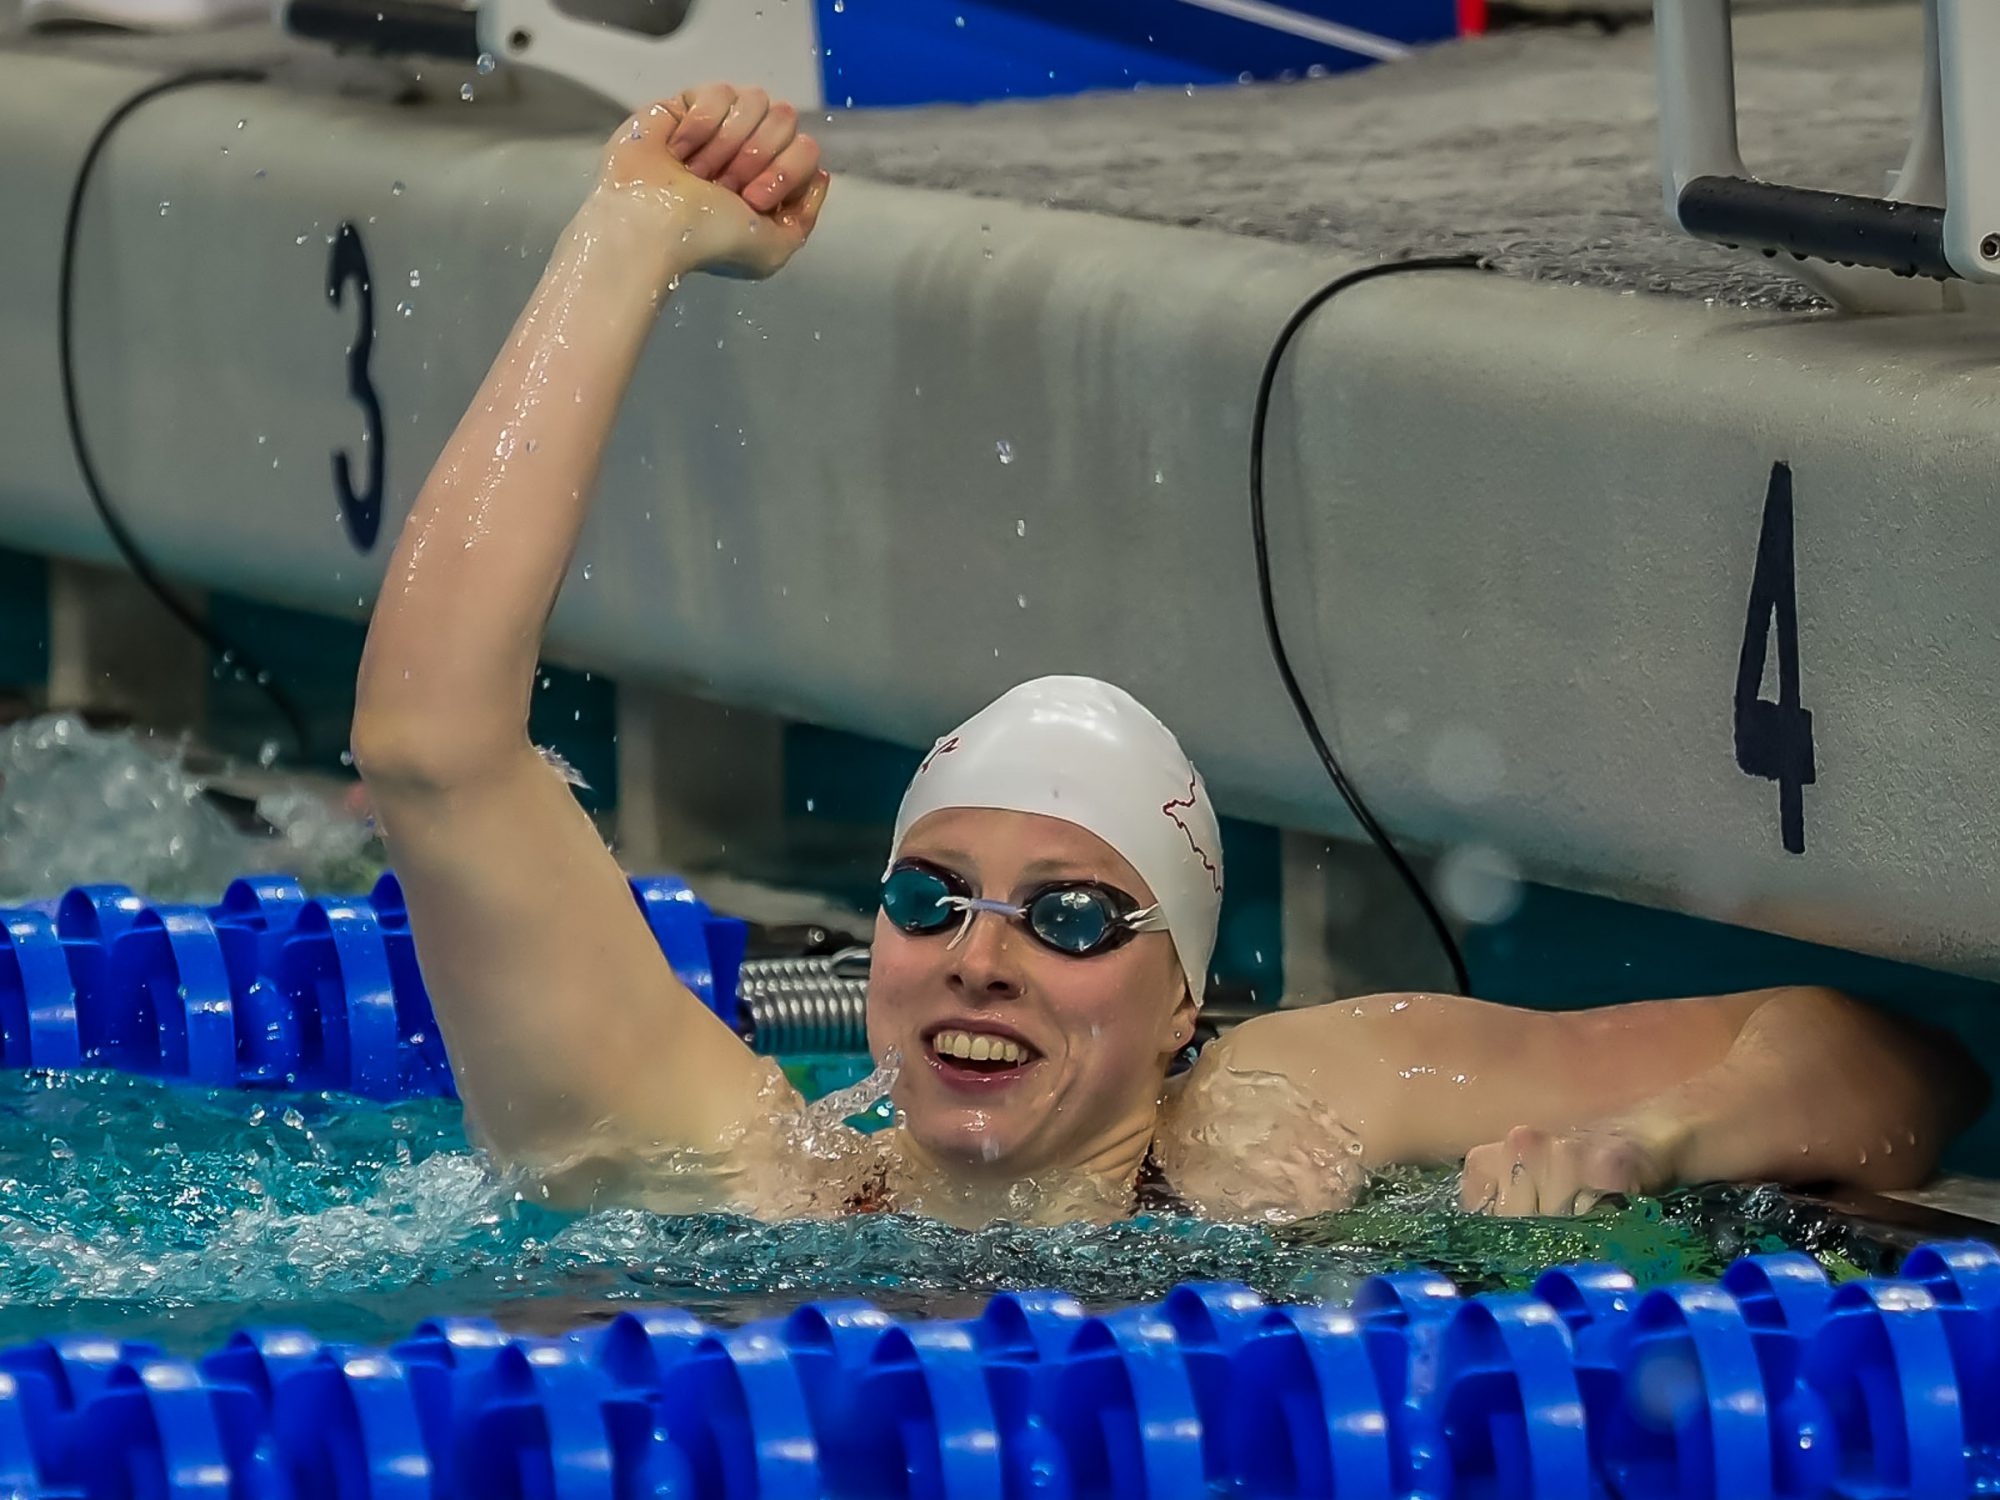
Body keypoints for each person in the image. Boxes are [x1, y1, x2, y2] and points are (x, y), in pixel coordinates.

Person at [351, 83, 1984, 1228]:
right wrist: (629, 239)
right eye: (932, 897)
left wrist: (1648, 1144)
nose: (981, 955)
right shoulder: (740, 1170)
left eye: (1072, 917)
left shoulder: (1287, 1109)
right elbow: (433, 753)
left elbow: (1895, 1058)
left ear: (1185, 1001)